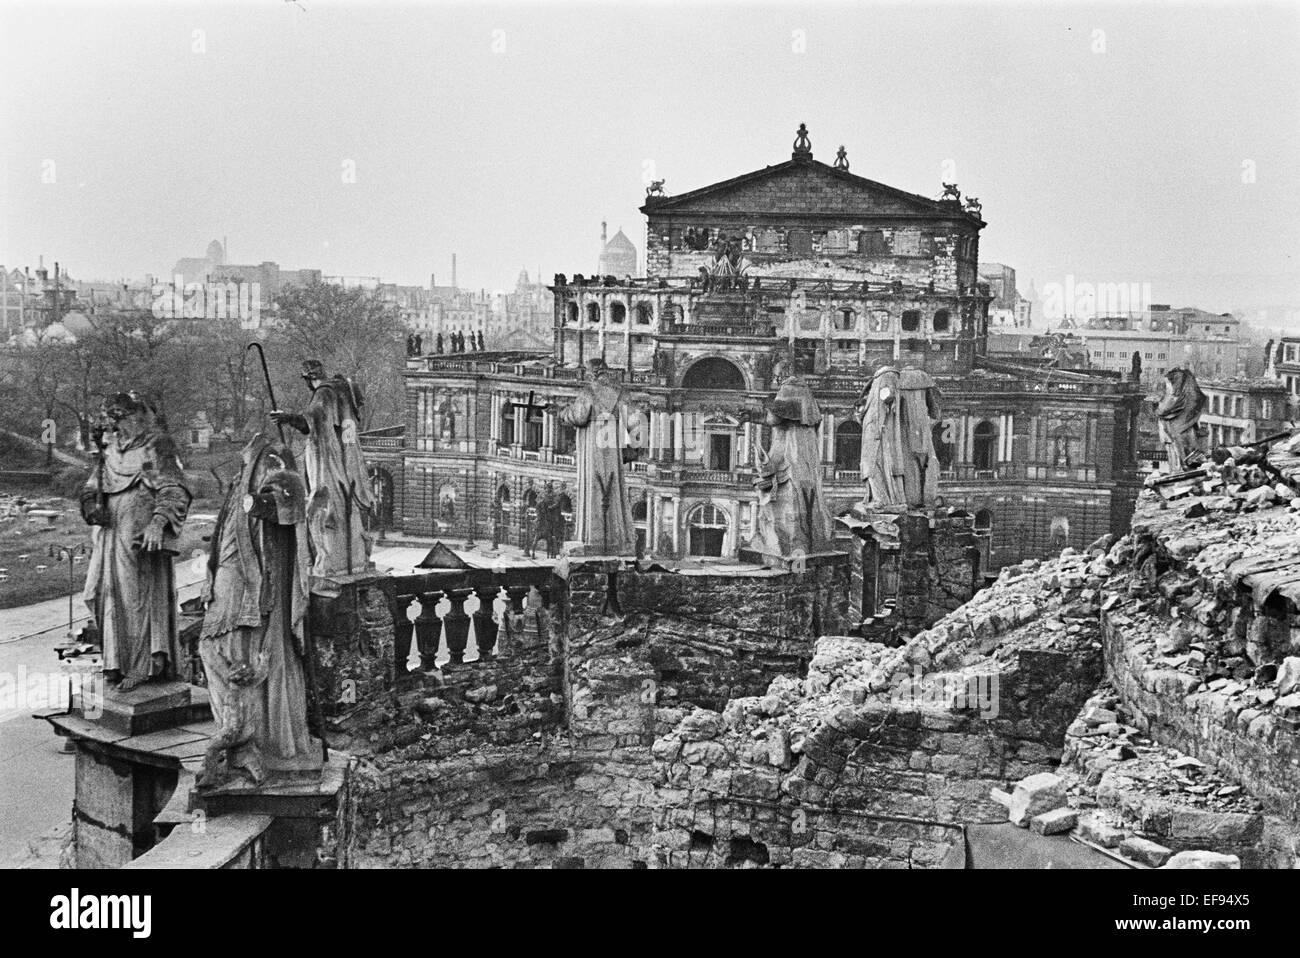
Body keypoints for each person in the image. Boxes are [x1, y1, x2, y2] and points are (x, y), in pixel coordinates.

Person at [199, 435, 320, 786]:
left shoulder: (283, 476)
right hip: (227, 584)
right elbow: (222, 534)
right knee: (213, 652)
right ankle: (236, 742)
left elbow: (288, 509)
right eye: (250, 460)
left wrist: (263, 496)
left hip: (257, 591)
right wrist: (208, 577)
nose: (250, 464)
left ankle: (249, 745)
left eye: (256, 460)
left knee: (246, 659)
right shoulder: (238, 486)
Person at [80, 392, 192, 691]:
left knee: (135, 599)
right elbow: (94, 485)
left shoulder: (156, 444)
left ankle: (142, 666)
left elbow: (173, 485)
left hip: (139, 534)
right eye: (111, 420)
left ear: (136, 415)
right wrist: (92, 506)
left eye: (120, 418)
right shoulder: (112, 449)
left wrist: (159, 521)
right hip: (110, 532)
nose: (115, 426)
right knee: (97, 594)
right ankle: (114, 661)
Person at [271, 360, 374, 577]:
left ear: (308, 378)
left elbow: (310, 422)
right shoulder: (340, 390)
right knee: (338, 500)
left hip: (326, 455)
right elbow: (347, 428)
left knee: (324, 501)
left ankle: (329, 560)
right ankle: (348, 560)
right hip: (342, 455)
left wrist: (286, 418)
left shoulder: (324, 393)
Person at [555, 359, 636, 553]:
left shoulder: (589, 391)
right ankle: (616, 537)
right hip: (612, 447)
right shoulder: (620, 392)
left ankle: (591, 537)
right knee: (614, 489)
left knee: (592, 488)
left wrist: (562, 413)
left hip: (592, 447)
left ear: (593, 373)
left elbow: (579, 416)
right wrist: (632, 448)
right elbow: (635, 421)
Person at [748, 374, 834, 557]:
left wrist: (752, 416)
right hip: (803, 465)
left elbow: (774, 418)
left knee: (787, 508)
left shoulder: (789, 392)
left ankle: (795, 563)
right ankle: (799, 562)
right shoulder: (809, 410)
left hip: (790, 460)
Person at [856, 364, 906, 509]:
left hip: (879, 431)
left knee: (876, 463)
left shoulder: (887, 376)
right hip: (871, 429)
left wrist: (889, 395)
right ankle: (875, 496)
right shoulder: (875, 382)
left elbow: (889, 396)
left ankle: (881, 499)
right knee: (869, 465)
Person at [1156, 367, 1206, 472]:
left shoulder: (1177, 400)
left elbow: (1165, 409)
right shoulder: (1188, 398)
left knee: (1179, 456)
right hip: (1183, 431)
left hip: (1178, 433)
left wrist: (1159, 408)